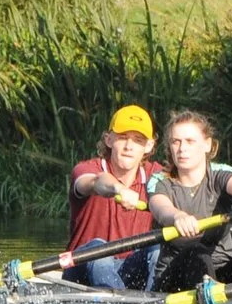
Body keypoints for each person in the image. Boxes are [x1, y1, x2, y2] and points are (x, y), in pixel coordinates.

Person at [144, 109, 232, 293]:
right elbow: (161, 208)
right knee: (196, 251)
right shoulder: (159, 180)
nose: (182, 149)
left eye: (190, 141)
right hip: (175, 277)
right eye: (176, 142)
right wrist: (178, 216)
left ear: (207, 145)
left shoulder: (221, 173)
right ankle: (214, 301)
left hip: (223, 274)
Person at [66, 104, 165, 289]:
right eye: (122, 137)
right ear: (108, 139)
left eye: (137, 140)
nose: (129, 146)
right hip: (81, 270)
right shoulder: (86, 169)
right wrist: (119, 189)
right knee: (99, 248)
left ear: (149, 146)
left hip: (130, 269)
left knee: (157, 248)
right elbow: (96, 182)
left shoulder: (157, 176)